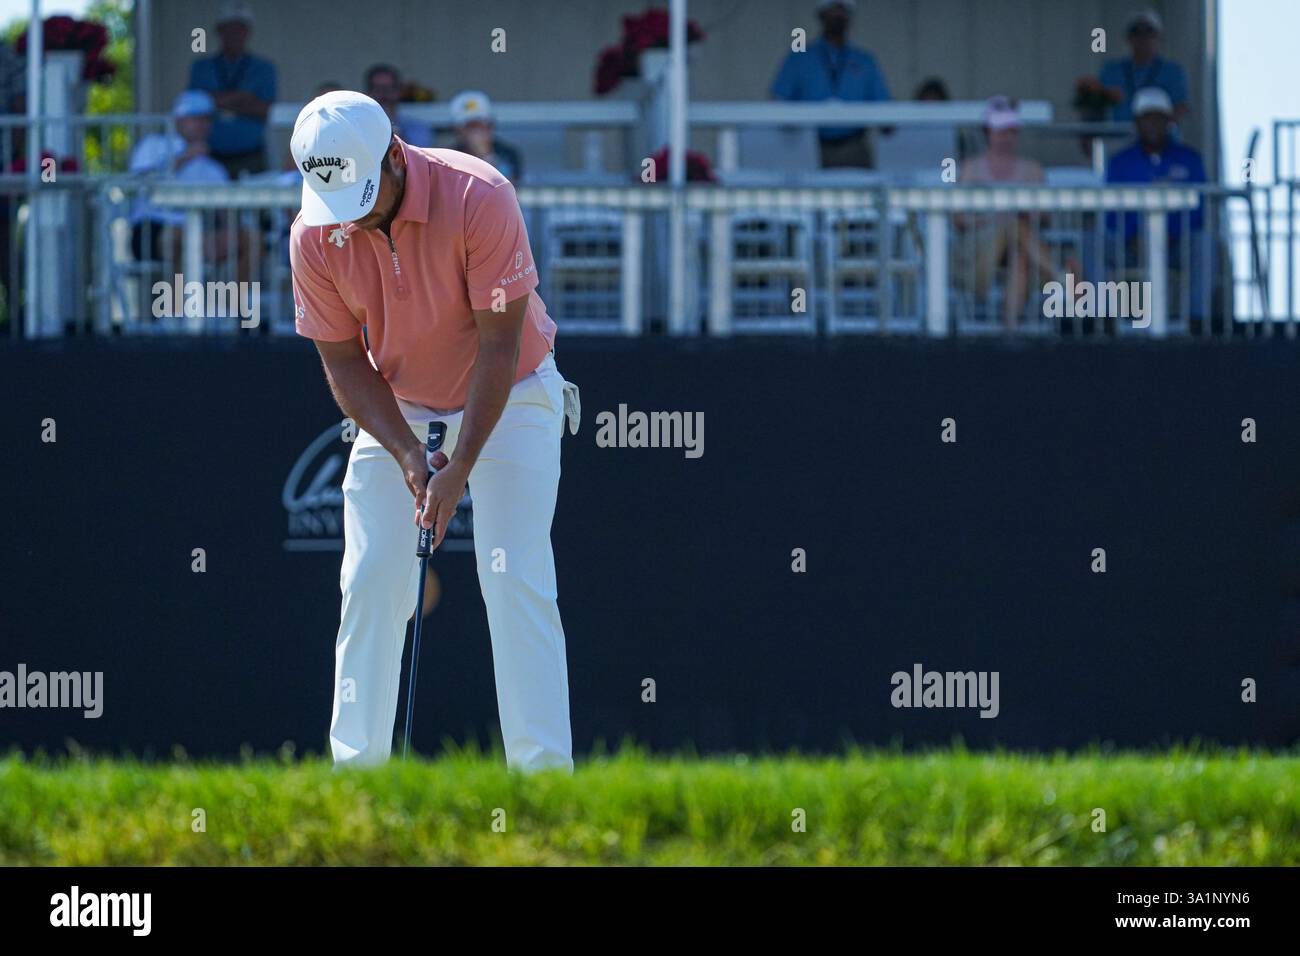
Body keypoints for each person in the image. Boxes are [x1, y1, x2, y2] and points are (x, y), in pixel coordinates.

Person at [288, 91, 578, 772]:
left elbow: (498, 347)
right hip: (402, 403)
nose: (353, 217)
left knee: (515, 578)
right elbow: (340, 359)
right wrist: (409, 453)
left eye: (365, 197)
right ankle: (356, 781)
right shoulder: (312, 231)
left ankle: (545, 788)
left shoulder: (480, 193)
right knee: (371, 580)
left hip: (513, 391)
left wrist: (456, 468)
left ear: (395, 154)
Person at [957, 96, 1076, 329]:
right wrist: (992, 219)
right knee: (1013, 226)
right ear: (987, 132)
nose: (1005, 137)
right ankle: (1064, 280)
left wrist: (1024, 214)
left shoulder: (1033, 169)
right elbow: (957, 218)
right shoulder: (970, 168)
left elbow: (1046, 216)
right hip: (979, 253)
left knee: (1019, 257)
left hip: (1024, 252)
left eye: (1011, 131)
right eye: (1000, 131)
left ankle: (1011, 334)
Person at [770, 0, 891, 168]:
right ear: (820, 15)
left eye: (842, 11)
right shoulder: (800, 58)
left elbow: (885, 112)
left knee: (859, 192)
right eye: (832, 11)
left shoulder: (864, 60)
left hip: (854, 147)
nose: (837, 16)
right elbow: (779, 102)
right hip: (809, 148)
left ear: (850, 18)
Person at [126, 90, 230, 263]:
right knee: (179, 239)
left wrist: (227, 233)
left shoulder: (213, 167)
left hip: (199, 230)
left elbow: (225, 209)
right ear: (178, 120)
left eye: (207, 119)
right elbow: (139, 183)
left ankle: (235, 291)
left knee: (250, 240)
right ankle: (181, 291)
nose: (203, 124)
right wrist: (184, 158)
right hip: (150, 229)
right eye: (196, 118)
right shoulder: (152, 145)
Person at [187, 2, 277, 177]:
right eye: (229, 29)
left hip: (251, 156)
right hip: (209, 156)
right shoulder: (201, 67)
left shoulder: (265, 68)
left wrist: (216, 101)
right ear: (219, 32)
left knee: (258, 202)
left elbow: (265, 110)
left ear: (248, 33)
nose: (234, 35)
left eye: (240, 29)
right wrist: (243, 98)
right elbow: (193, 108)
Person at [1099, 9, 1189, 124]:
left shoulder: (1173, 72)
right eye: (1136, 32)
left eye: (1149, 32)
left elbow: (1179, 108)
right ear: (1128, 37)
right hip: (1119, 136)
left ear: (1159, 37)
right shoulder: (1111, 71)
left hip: (1159, 139)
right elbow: (1097, 107)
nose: (1142, 37)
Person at [448, 90, 523, 183]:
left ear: (490, 125)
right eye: (470, 127)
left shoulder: (507, 153)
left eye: (480, 125)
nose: (476, 133)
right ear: (458, 130)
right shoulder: (449, 157)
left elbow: (509, 187)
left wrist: (486, 155)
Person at [364, 64, 434, 148]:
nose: (383, 95)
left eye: (388, 88)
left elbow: (419, 157)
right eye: (378, 88)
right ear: (368, 94)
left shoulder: (418, 128)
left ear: (398, 92)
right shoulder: (359, 128)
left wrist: (392, 128)